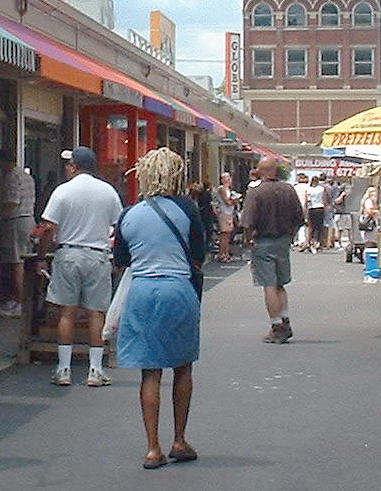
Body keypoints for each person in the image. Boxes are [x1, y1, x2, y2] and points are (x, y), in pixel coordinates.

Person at [112, 147, 205, 468]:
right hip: (178, 290)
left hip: (142, 292)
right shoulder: (187, 210)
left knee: (150, 371)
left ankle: (153, 448)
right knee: (182, 366)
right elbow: (198, 255)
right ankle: (179, 439)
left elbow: (121, 261)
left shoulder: (130, 214)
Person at [37, 147, 124, 387]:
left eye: (68, 164)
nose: (66, 168)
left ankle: (63, 369)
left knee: (67, 312)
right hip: (97, 257)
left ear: (74, 167)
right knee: (97, 312)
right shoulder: (108, 192)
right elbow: (118, 226)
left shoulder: (62, 191)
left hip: (68, 255)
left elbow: (48, 228)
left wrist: (41, 256)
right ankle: (95, 370)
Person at [241, 156, 306, 344]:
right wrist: (291, 236)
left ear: (261, 171)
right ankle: (285, 319)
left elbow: (248, 221)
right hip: (283, 241)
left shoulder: (256, 192)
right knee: (281, 283)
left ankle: (276, 326)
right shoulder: (288, 189)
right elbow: (299, 218)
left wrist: (248, 240)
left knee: (268, 284)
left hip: (263, 241)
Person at [0, 146, 36, 317]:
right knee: (23, 261)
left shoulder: (11, 176)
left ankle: (19, 302)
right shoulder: (26, 176)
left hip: (15, 221)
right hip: (28, 220)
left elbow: (12, 202)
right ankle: (18, 301)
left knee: (17, 263)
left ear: (2, 162)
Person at [213, 172, 239, 263]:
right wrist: (233, 199)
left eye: (228, 178)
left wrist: (234, 200)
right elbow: (227, 202)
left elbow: (233, 203)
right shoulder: (221, 189)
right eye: (225, 178)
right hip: (224, 213)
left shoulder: (229, 189)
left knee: (228, 235)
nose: (227, 180)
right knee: (224, 235)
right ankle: (222, 254)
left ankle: (226, 254)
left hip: (229, 213)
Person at [302, 174, 326, 253]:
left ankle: (310, 242)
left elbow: (306, 200)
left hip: (312, 208)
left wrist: (305, 210)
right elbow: (324, 199)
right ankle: (318, 242)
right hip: (320, 207)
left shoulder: (308, 190)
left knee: (311, 226)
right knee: (319, 227)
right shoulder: (322, 189)